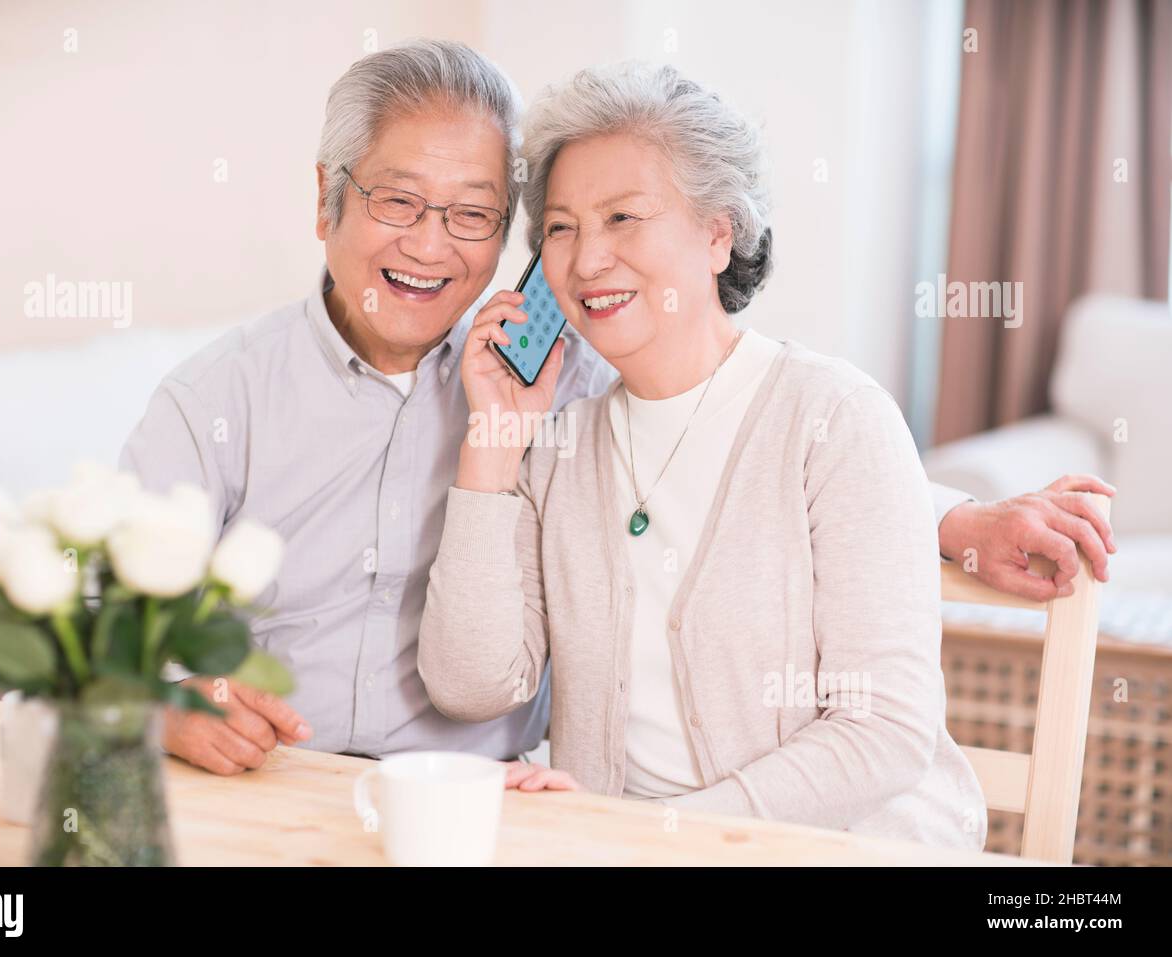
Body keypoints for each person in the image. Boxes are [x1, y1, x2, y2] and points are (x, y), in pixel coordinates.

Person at [122, 40, 1115, 779]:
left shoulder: (567, 378)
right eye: (397, 201)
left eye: (472, 214)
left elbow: (750, 436)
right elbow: (78, 616)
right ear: (326, 200)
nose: (430, 245)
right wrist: (158, 704)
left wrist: (948, 517)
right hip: (278, 784)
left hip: (493, 806)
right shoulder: (222, 398)